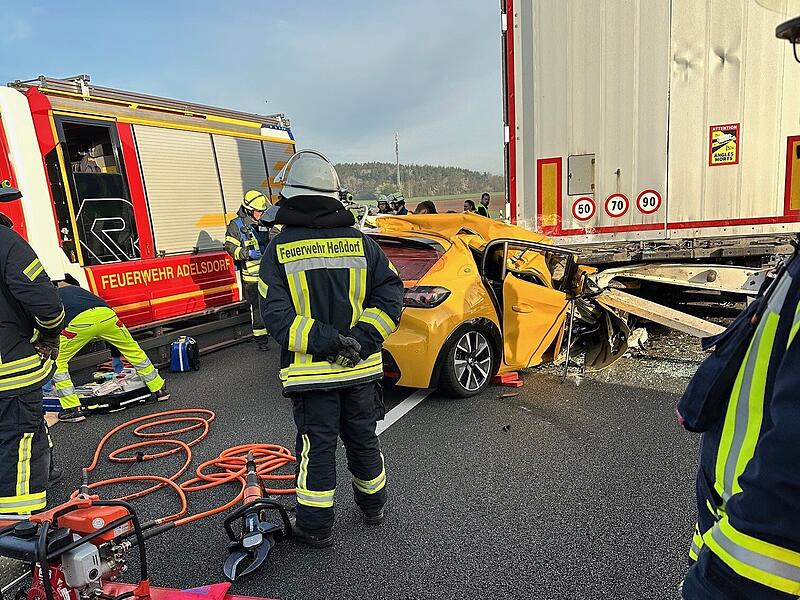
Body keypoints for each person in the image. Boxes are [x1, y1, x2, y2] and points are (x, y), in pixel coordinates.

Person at [259, 150, 403, 548]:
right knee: (363, 439)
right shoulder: (362, 245)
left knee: (316, 448)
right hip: (360, 373)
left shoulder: (279, 251)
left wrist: (326, 342)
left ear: (291, 197)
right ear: (333, 197)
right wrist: (361, 340)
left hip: (312, 377)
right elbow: (391, 295)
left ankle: (316, 527)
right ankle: (374, 507)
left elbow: (276, 317)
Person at [0, 187, 65, 514]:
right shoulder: (7, 243)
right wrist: (50, 334)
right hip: (9, 373)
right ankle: (17, 540)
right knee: (18, 448)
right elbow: (46, 303)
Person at [52, 278, 169, 423]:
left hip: (79, 323)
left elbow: (48, 324)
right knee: (133, 350)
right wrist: (115, 357)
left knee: (57, 361)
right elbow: (111, 334)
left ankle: (73, 408)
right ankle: (160, 389)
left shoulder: (49, 298)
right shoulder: (76, 290)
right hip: (108, 316)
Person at [225, 190, 271, 351]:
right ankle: (261, 340)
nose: (261, 213)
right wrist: (247, 253)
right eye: (259, 211)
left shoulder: (265, 222)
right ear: (249, 209)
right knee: (257, 309)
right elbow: (230, 248)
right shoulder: (236, 225)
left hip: (270, 275)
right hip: (252, 278)